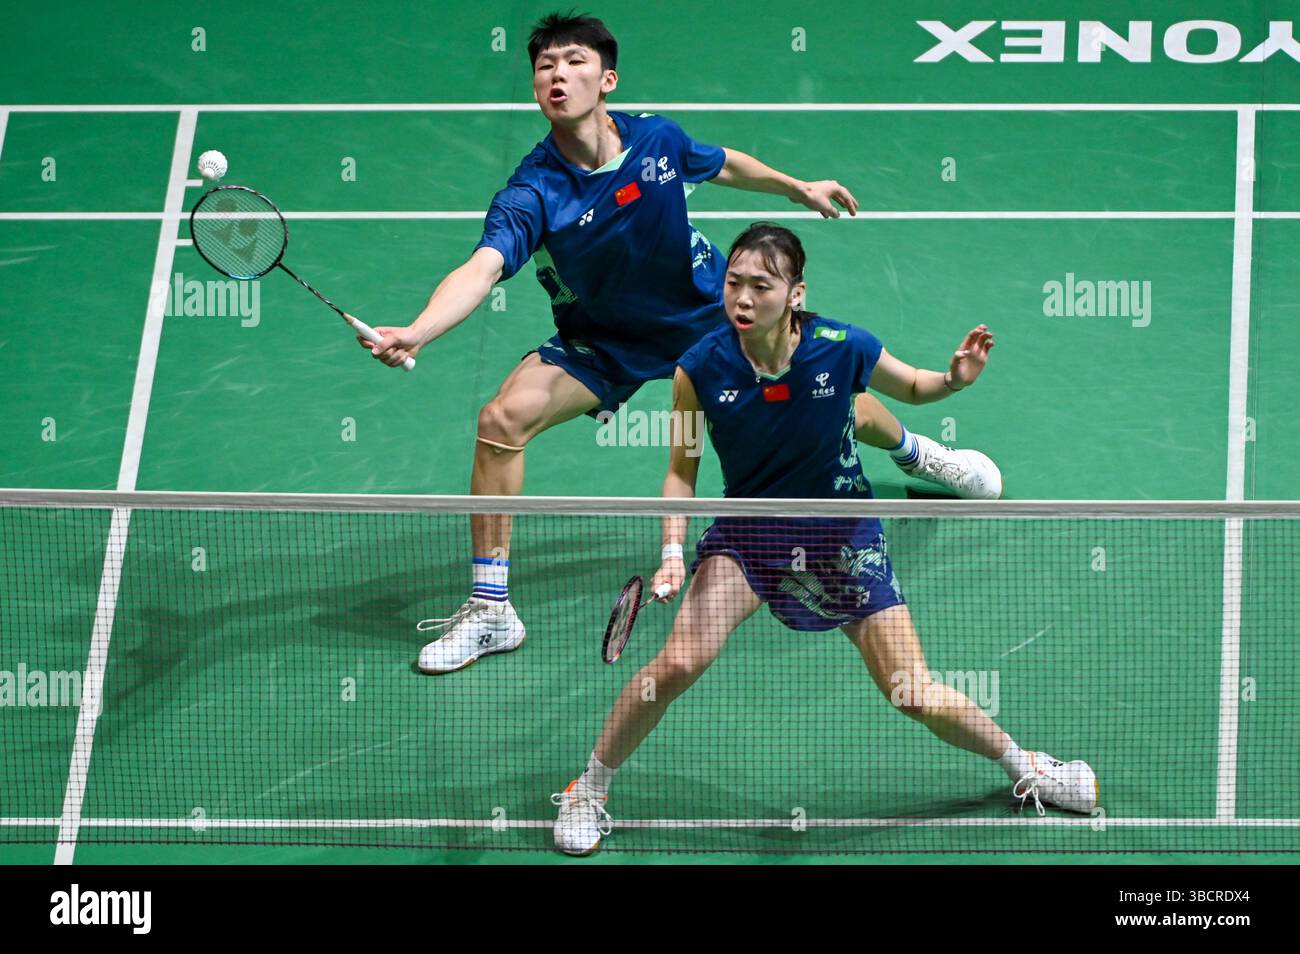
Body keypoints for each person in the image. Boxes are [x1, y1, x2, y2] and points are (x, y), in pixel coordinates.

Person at [361, 13, 1002, 675]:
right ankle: (492, 608)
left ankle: (922, 455)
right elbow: (482, 268)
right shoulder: (534, 191)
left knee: (819, 392)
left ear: (606, 78)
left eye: (574, 62)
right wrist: (418, 330)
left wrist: (796, 186)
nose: (558, 75)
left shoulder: (656, 140)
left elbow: (722, 163)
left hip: (707, 315)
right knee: (501, 419)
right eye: (546, 66)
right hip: (604, 339)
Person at [550, 223, 1095, 855]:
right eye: (734, 284)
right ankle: (587, 788)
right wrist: (674, 551)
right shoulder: (699, 367)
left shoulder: (842, 347)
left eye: (761, 285)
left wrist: (954, 380)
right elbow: (682, 470)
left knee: (910, 690)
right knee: (676, 663)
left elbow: (915, 385)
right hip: (750, 533)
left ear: (795, 294)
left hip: (841, 533)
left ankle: (1026, 766)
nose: (743, 300)